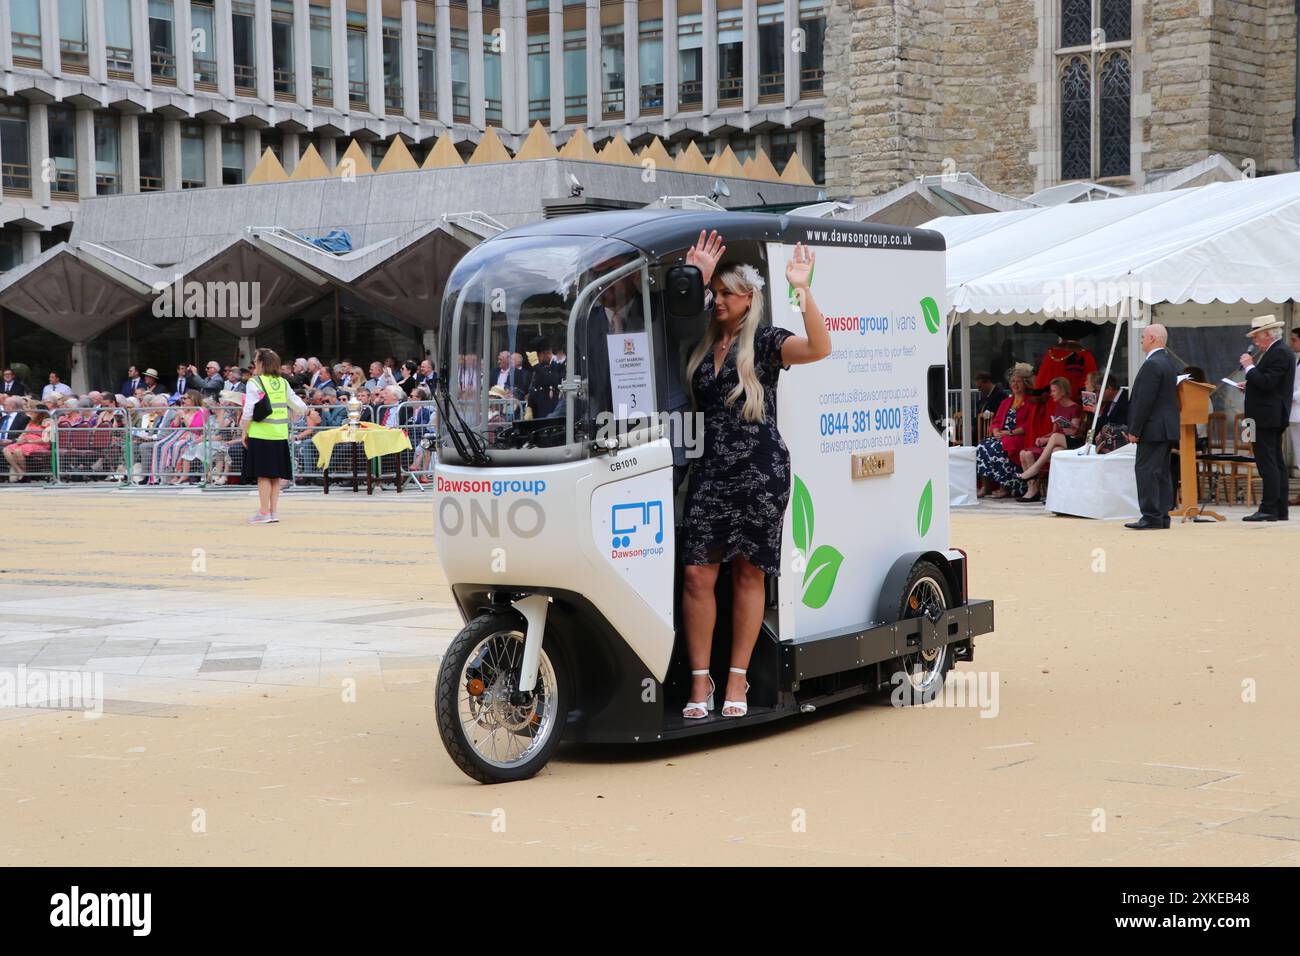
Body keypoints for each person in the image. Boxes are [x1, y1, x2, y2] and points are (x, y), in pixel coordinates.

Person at [681, 243, 829, 721]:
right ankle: (699, 680)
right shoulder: (702, 342)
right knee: (697, 574)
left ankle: (737, 680)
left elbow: (819, 348)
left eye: (728, 292)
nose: (719, 299)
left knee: (749, 573)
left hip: (760, 473)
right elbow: (673, 317)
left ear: (749, 298)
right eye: (715, 292)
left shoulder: (765, 343)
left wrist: (802, 290)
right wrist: (695, 280)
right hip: (710, 472)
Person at [1238, 314, 1296, 521]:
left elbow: (1269, 383)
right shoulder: (1277, 351)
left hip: (1266, 416)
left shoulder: (1279, 352)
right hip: (1268, 414)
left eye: (1257, 337)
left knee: (1267, 462)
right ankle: (1279, 509)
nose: (1254, 342)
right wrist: (1250, 384)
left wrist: (1249, 367)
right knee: (1276, 462)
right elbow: (1268, 383)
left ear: (1268, 335)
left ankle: (1269, 508)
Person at [240, 348, 306, 524]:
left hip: (261, 434)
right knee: (275, 475)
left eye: (256, 360)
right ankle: (273, 512)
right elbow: (298, 404)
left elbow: (248, 411)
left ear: (261, 363)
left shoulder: (255, 382)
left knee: (263, 475)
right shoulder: (283, 382)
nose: (254, 363)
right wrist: (302, 412)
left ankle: (263, 512)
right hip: (279, 434)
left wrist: (243, 432)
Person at [1124, 324, 1179, 530]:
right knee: (1162, 473)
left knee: (1146, 471)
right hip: (1165, 427)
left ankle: (1150, 515)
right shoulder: (1167, 361)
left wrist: (1134, 430)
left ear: (1153, 338)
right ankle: (1162, 515)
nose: (1141, 340)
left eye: (1143, 336)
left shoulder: (1152, 364)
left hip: (1153, 427)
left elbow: (1143, 401)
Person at [1015, 376, 1083, 501]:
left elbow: (1075, 432)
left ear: (1062, 391)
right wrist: (1043, 438)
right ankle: (1032, 490)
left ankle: (1035, 470)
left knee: (1056, 448)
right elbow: (1054, 432)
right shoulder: (1058, 408)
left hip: (1073, 441)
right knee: (1025, 453)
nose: (1051, 394)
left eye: (1054, 391)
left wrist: (1065, 429)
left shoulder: (1075, 408)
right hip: (1059, 441)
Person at [975, 364, 1033, 498]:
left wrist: (1011, 432)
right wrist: (995, 431)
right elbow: (996, 421)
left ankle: (1005, 487)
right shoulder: (1006, 402)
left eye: (1018, 381)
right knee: (982, 446)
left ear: (1025, 383)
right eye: (1013, 381)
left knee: (998, 447)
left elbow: (1030, 424)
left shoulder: (1031, 402)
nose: (1015, 384)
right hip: (1003, 436)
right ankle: (986, 486)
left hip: (1019, 437)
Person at [2, 411, 52, 481]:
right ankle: (19, 470)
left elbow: (46, 439)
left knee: (18, 451)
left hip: (39, 444)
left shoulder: (48, 423)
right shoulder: (31, 423)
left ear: (39, 414)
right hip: (25, 442)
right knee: (6, 450)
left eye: (32, 413)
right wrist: (20, 439)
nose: (30, 415)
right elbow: (23, 433)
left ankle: (24, 472)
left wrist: (30, 441)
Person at [1289, 325, 1300, 507]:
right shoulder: (1297, 359)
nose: (1291, 343)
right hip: (1294, 413)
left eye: (1294, 339)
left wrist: (1286, 396)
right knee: (1299, 456)